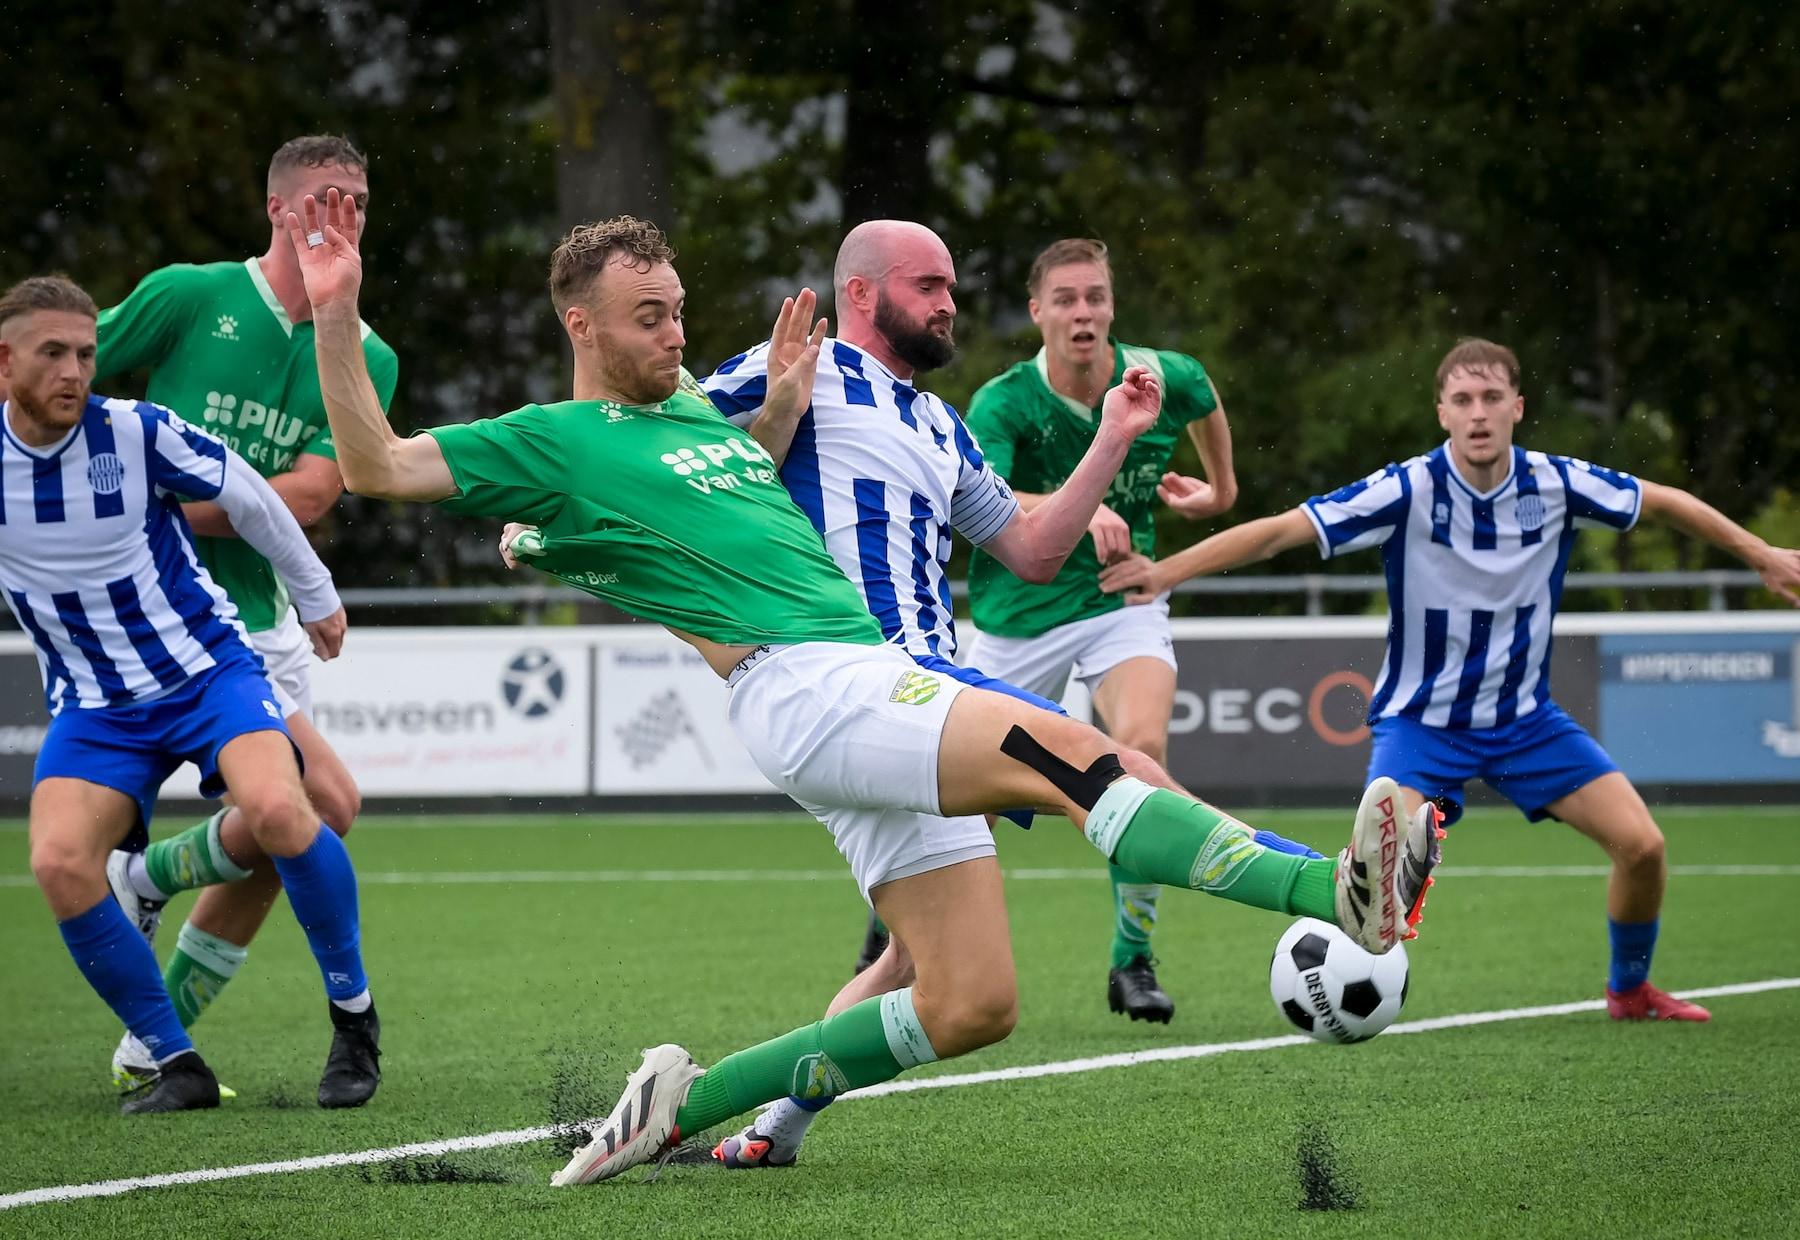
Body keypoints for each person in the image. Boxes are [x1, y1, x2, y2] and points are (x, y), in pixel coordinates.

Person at [289, 191, 1434, 1184]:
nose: (678, 333)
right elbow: (380, 466)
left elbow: (753, 471)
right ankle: (1332, 891)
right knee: (1079, 754)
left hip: (859, 683)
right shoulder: (557, 437)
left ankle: (685, 1103)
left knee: (970, 1000)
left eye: (682, 309)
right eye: (652, 317)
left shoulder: (702, 409)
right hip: (818, 683)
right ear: (579, 324)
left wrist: (778, 409)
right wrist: (338, 311)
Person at [689, 221, 1338, 1169]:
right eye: (930, 284)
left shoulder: (938, 424)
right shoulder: (798, 365)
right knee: (1110, 762)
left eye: (953, 284)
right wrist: (551, 521)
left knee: (947, 987)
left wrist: (1115, 437)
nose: (951, 301)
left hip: (909, 694)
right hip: (849, 679)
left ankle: (761, 1127)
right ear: (863, 295)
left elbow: (1032, 554)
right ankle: (1325, 886)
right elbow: (665, 457)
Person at [1101, 337, 1800, 1021]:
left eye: (1492, 397)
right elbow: (1282, 531)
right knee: (1368, 883)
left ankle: (1630, 991)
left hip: (1527, 724)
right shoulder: (1408, 488)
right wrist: (1167, 572)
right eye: (1462, 399)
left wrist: (1760, 555)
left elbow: (1663, 501)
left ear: (1517, 407)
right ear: (1442, 412)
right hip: (1422, 727)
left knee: (1644, 847)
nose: (1478, 412)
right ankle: (1322, 900)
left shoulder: (1554, 482)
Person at [0, 275, 377, 1112]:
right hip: (96, 709)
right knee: (59, 862)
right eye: (53, 353)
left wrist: (316, 596)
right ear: (4, 363)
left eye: (86, 354)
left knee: (288, 809)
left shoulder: (134, 433)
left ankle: (354, 1022)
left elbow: (249, 496)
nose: (75, 371)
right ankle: (176, 1063)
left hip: (207, 674)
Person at [93, 134, 396, 1090]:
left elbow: (307, 496)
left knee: (294, 825)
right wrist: (96, 499)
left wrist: (151, 492)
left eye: (355, 201)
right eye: (321, 201)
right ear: (278, 211)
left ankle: (153, 1021)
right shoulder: (190, 296)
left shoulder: (366, 353)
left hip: (263, 618)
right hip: (158, 609)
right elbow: (54, 370)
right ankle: (154, 952)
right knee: (324, 807)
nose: (339, 217)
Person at [962, 238, 1240, 1024]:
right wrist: (1078, 505)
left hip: (1123, 602)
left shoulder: (1160, 376)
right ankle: (892, 934)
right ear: (1038, 312)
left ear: (1111, 305)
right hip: (1019, 617)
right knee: (962, 804)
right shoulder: (1004, 403)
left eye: (1095, 297)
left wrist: (1220, 492)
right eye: (1066, 299)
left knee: (1142, 748)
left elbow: (1205, 397)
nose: (1083, 312)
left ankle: (1133, 960)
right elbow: (973, 494)